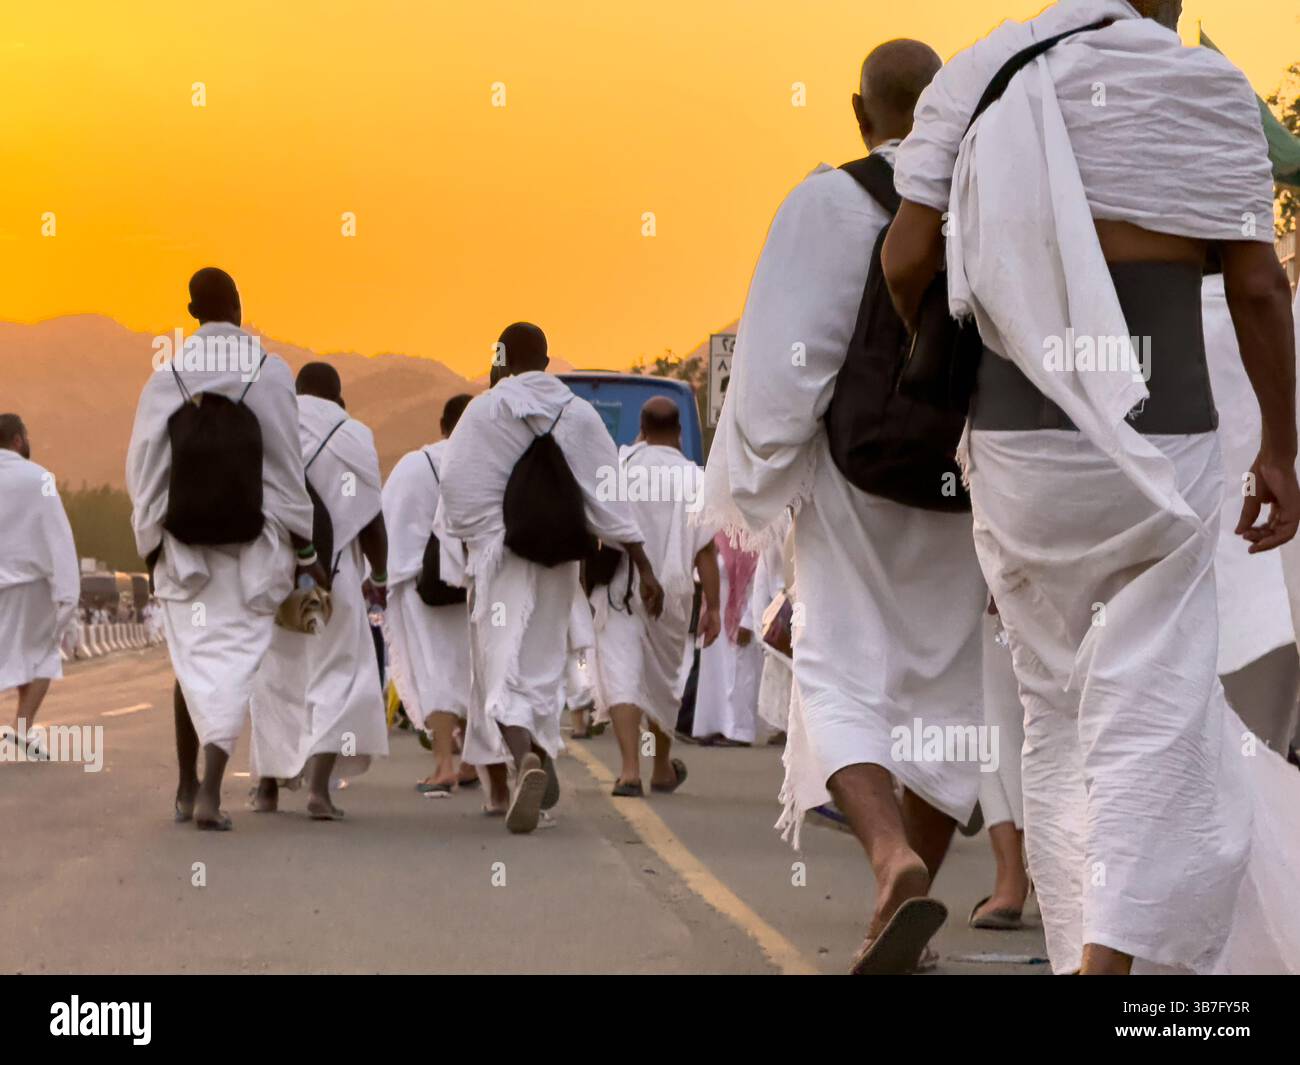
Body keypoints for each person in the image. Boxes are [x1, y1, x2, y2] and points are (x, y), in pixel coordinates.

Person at [886, 0, 1300, 973]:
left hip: (1018, 448)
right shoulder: (1201, 84)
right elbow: (1254, 287)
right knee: (1157, 707)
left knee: (1056, 711)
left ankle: (1086, 940)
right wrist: (1278, 449)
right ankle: (1109, 963)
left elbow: (905, 257)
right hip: (1164, 447)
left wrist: (968, 350)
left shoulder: (983, 72)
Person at [700, 39, 986, 973]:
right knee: (952, 690)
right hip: (966, 481)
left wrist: (765, 479)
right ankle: (894, 909)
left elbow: (784, 367)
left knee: (836, 665)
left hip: (856, 476)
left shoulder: (830, 199)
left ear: (861, 114)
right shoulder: (989, 191)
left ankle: (888, 854)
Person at [436, 322, 664, 834]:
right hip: (559, 562)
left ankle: (527, 762)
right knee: (540, 669)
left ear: (502, 356)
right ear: (545, 358)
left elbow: (456, 488)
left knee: (499, 673)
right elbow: (609, 497)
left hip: (504, 562)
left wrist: (491, 538)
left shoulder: (485, 411)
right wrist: (644, 567)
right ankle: (538, 757)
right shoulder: (578, 413)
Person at [126, 268, 321, 831]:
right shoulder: (271, 371)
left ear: (193, 313)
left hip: (184, 549)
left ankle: (190, 787)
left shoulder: (168, 376)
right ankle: (210, 788)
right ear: (238, 307)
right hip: (255, 547)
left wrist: (151, 542)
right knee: (235, 666)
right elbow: (287, 467)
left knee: (192, 667)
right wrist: (303, 547)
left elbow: (145, 470)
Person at [249, 362, 389, 820]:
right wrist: (381, 578)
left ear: (297, 391)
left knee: (274, 680)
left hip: (277, 572)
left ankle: (267, 788)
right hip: (335, 576)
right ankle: (318, 791)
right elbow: (371, 520)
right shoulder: (354, 434)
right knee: (338, 678)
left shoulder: (275, 424)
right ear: (339, 398)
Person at [591, 397, 722, 795]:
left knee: (622, 674)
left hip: (620, 590)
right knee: (663, 680)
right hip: (674, 592)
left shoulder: (622, 467)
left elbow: (599, 529)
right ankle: (661, 766)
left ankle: (630, 770)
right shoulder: (694, 478)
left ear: (642, 429)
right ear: (680, 433)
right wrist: (713, 607)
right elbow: (704, 552)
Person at [381, 393, 485, 798]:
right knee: (478, 672)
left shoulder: (413, 465)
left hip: (423, 587)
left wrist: (386, 575)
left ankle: (444, 765)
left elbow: (390, 521)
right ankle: (476, 762)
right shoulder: (491, 463)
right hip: (479, 586)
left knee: (437, 670)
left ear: (443, 425)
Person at [0, 414, 79, 760]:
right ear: (18, 440)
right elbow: (58, 534)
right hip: (31, 587)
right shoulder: (39, 478)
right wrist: (67, 591)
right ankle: (21, 730)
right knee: (42, 658)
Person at [690, 534, 761, 746]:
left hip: (741, 613)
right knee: (715, 673)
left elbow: (757, 583)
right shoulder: (717, 539)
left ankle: (738, 731)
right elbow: (698, 573)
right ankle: (714, 726)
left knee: (738, 674)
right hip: (717, 613)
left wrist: (748, 620)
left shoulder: (752, 540)